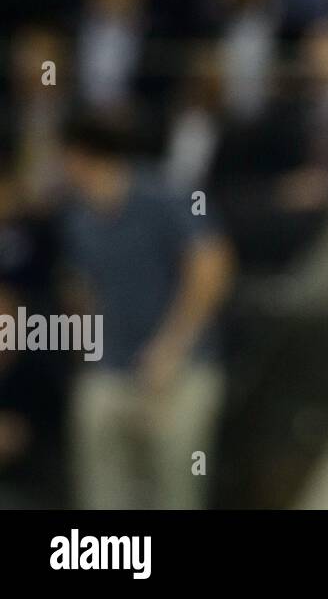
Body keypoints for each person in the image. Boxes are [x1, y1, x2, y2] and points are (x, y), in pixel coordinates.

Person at [59, 115, 234, 508]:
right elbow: (82, 290)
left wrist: (172, 347)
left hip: (182, 367)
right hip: (112, 369)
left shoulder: (166, 195)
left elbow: (212, 268)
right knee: (101, 479)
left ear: (79, 156)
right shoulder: (77, 217)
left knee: (174, 487)